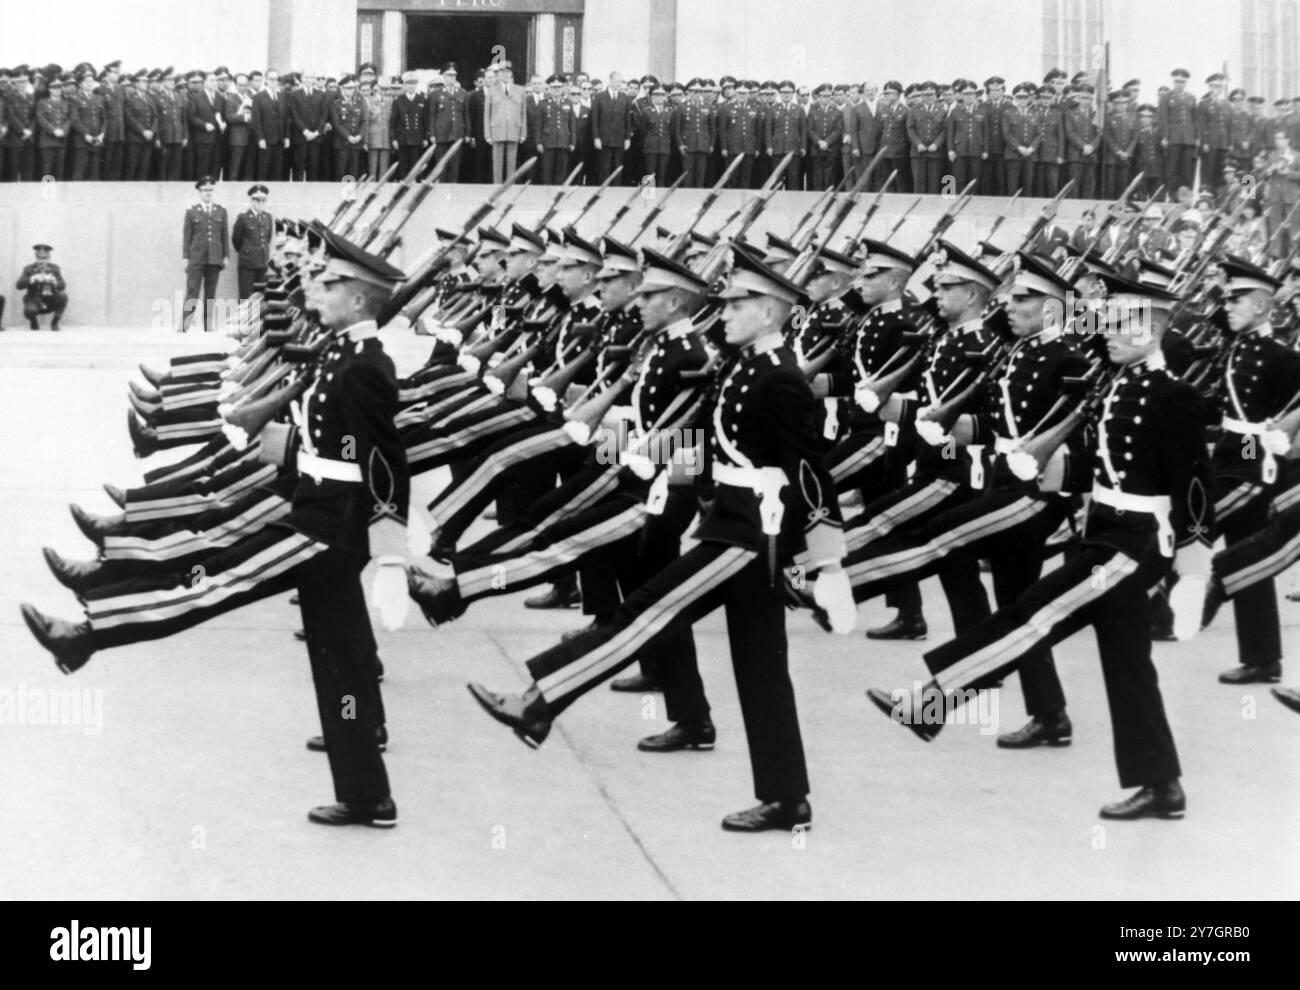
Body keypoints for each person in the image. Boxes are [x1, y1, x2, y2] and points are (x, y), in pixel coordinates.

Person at [22, 227, 410, 829]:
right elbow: (330, 443)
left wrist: (389, 557)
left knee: (211, 582)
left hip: (326, 529)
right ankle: (366, 794)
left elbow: (383, 462)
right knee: (344, 657)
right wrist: (275, 447)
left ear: (360, 299)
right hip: (318, 512)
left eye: (331, 285)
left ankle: (89, 633)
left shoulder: (365, 367)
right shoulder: (342, 353)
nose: (319, 290)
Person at [465, 245, 849, 833]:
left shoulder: (781, 378)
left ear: (770, 312)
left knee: (646, 611)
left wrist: (827, 565)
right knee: (761, 667)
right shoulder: (744, 364)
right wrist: (679, 491)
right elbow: (714, 445)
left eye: (738, 303)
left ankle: (538, 702)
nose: (723, 311)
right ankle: (787, 797)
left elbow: (810, 471)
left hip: (752, 535)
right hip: (731, 521)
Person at [868, 271, 1212, 821]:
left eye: (1123, 325)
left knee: (1034, 612)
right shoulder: (1115, 383)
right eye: (1108, 323)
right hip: (1102, 530)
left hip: (1135, 542)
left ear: (1154, 329)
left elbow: (1194, 483)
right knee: (1127, 664)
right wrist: (1066, 472)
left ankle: (932, 702)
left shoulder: (1174, 395)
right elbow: (1110, 461)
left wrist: (1193, 567)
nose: (1110, 334)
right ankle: (1160, 783)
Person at [180, 177, 228, 333]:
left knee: (210, 292)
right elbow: (187, 236)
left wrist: (225, 255)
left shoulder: (220, 211)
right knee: (192, 291)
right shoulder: (192, 211)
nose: (208, 193)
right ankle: (185, 324)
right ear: (199, 192)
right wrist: (186, 257)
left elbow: (224, 235)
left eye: (211, 190)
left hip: (214, 258)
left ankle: (208, 325)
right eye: (205, 190)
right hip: (196, 258)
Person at [484, 62, 526, 183]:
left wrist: (523, 133)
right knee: (497, 162)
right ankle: (497, 186)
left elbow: (523, 114)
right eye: (502, 72)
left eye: (508, 72)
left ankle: (510, 186)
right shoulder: (492, 90)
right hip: (497, 129)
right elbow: (487, 114)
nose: (505, 74)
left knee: (512, 162)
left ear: (511, 73)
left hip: (514, 129)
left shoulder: (520, 90)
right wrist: (487, 134)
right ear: (498, 74)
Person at [232, 184, 273, 300]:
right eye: (257, 200)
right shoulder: (243, 218)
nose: (261, 203)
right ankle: (245, 318)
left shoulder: (268, 217)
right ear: (251, 200)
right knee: (246, 296)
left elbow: (267, 239)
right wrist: (246, 252)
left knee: (260, 296)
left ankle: (258, 318)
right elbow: (236, 240)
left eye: (263, 200)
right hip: (248, 264)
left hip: (263, 263)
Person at [591, 70, 633, 181]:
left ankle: (616, 193)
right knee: (604, 169)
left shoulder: (624, 98)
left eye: (621, 81)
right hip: (604, 139)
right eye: (618, 81)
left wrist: (627, 138)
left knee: (617, 169)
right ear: (610, 80)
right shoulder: (600, 97)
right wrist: (596, 138)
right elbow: (595, 119)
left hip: (619, 139)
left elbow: (627, 120)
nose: (620, 83)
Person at [17, 243, 67, 331]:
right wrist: (31, 279)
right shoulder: (29, 269)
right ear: (36, 257)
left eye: (44, 258)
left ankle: (55, 322)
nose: (41, 261)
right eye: (39, 258)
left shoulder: (54, 269)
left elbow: (62, 285)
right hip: (34, 299)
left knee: (63, 296)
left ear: (48, 258)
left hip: (50, 299)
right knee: (29, 311)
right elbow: (18, 285)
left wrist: (55, 282)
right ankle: (33, 321)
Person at [251, 69, 289, 181]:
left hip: (280, 139)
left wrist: (287, 136)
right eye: (271, 79)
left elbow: (286, 118)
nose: (274, 81)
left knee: (277, 171)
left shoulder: (282, 96)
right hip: (266, 140)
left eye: (276, 79)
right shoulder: (258, 97)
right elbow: (256, 120)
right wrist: (260, 138)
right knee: (264, 169)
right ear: (266, 80)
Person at [389, 71, 427, 177]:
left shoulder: (422, 99)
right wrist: (394, 139)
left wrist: (425, 137)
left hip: (416, 137)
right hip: (403, 138)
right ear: (405, 85)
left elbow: (425, 120)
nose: (411, 86)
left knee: (415, 166)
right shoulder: (398, 100)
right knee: (403, 167)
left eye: (413, 83)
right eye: (409, 83)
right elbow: (393, 122)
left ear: (416, 85)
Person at [34, 72, 71, 179]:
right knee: (47, 173)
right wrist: (53, 130)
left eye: (60, 87)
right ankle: (46, 195)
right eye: (54, 87)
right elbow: (41, 119)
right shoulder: (42, 102)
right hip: (47, 142)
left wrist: (63, 131)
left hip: (61, 141)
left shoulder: (66, 103)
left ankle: (59, 195)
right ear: (49, 89)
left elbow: (68, 120)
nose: (58, 90)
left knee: (59, 173)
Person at [330, 74, 365, 180]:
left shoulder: (358, 103)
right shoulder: (336, 104)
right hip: (343, 143)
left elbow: (363, 121)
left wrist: (360, 135)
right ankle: (340, 195)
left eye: (353, 88)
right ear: (342, 89)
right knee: (341, 172)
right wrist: (348, 137)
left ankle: (350, 194)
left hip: (356, 142)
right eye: (349, 88)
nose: (352, 91)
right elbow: (336, 124)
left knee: (353, 172)